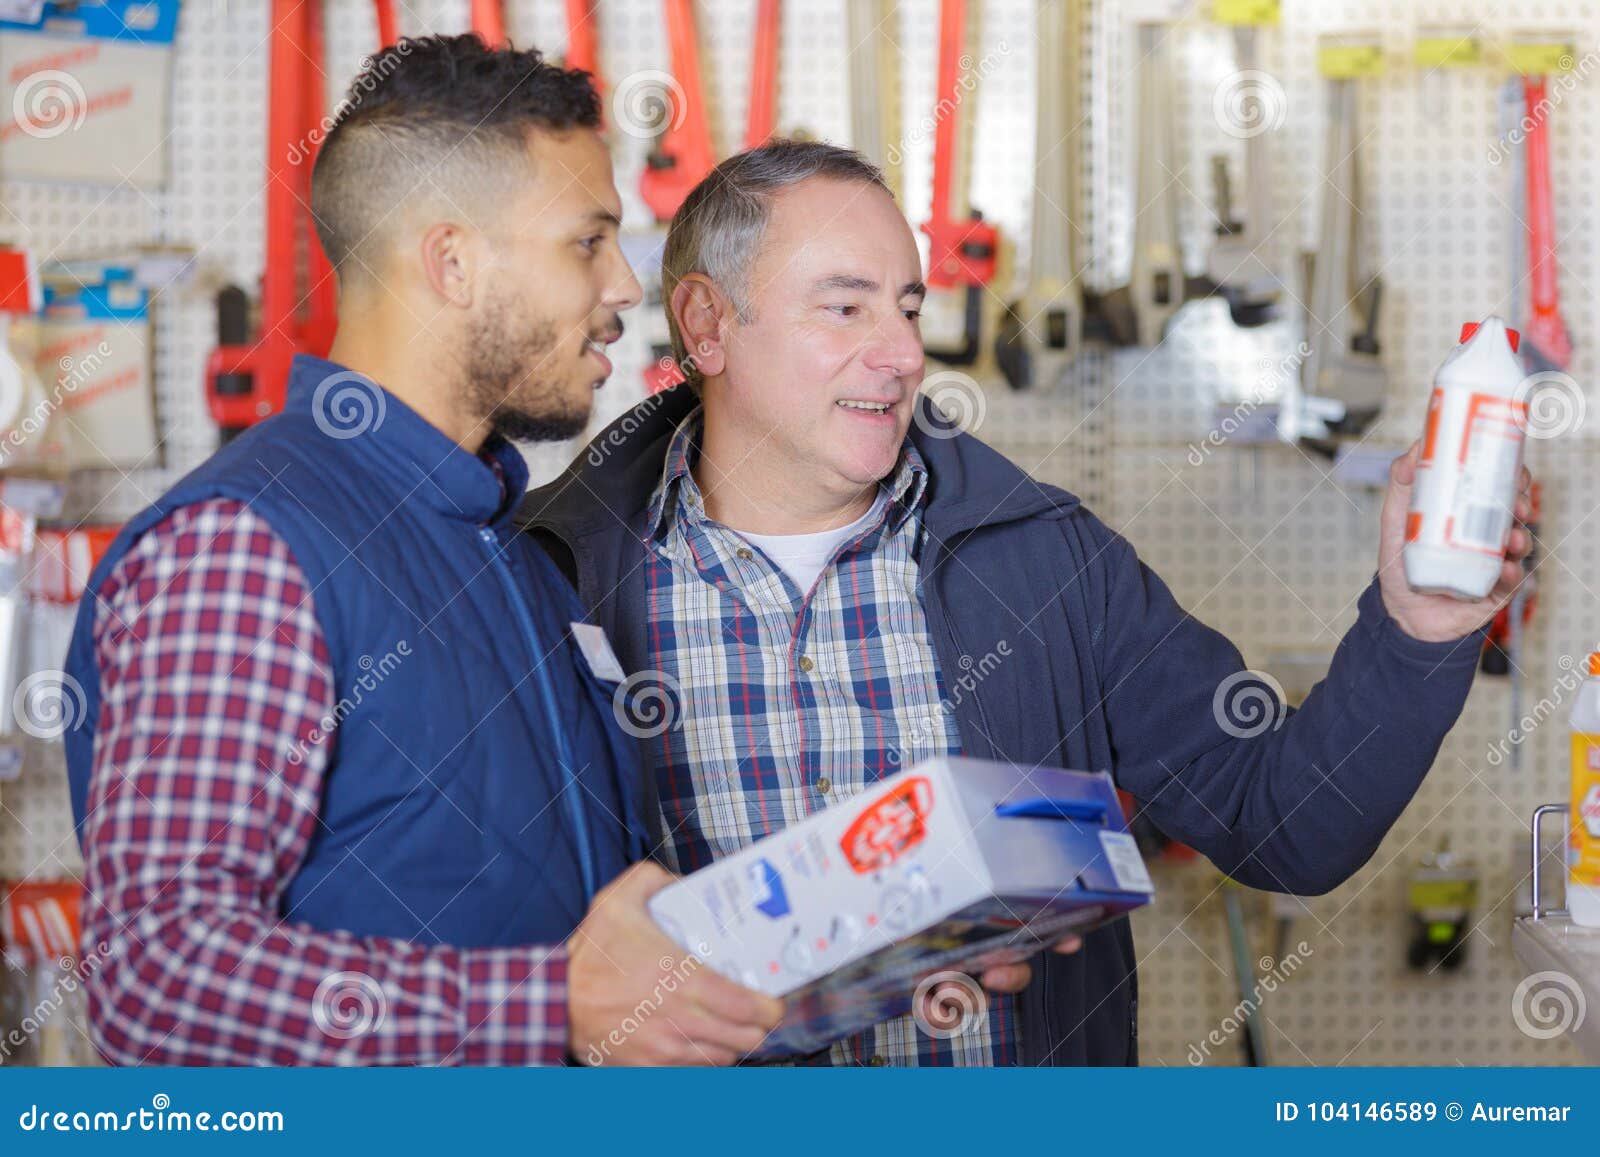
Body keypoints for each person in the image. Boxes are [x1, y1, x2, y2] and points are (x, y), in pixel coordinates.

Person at [520, 139, 1535, 1065]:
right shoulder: (549, 582)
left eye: (909, 307)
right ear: (706, 324)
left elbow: (1288, 823)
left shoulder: (1045, 561)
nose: (905, 352)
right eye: (846, 307)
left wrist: (1420, 626)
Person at [61, 35, 783, 1067]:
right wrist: (546, 1004)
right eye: (588, 240)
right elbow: (157, 978)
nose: (626, 287)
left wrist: (859, 951)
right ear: (451, 261)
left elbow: (564, 931)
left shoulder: (510, 553)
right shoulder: (245, 548)